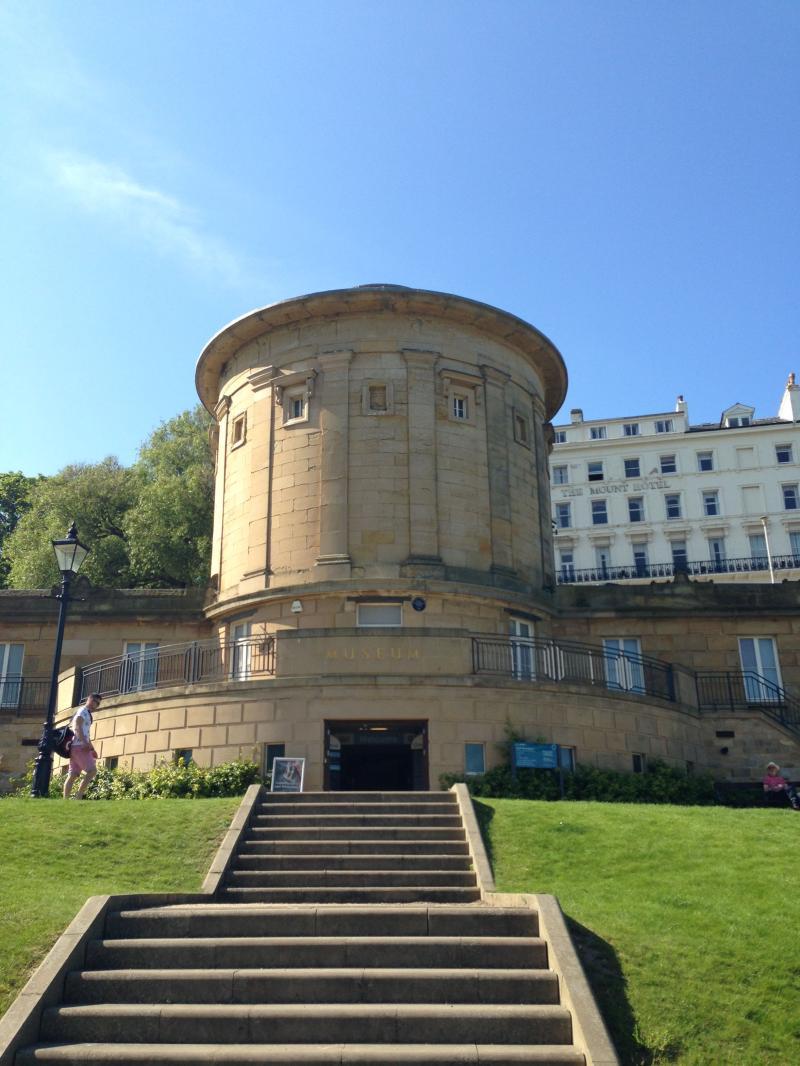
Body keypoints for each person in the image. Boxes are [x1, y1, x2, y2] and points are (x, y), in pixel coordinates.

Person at [63, 693, 101, 799]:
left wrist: (92, 748)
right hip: (80, 747)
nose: (95, 705)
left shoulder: (86, 713)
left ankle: (65, 800)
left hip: (76, 747)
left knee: (73, 774)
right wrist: (85, 743)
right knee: (92, 771)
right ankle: (78, 796)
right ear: (89, 699)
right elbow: (77, 727)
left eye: (98, 703)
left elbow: (85, 732)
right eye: (94, 701)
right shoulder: (82, 711)